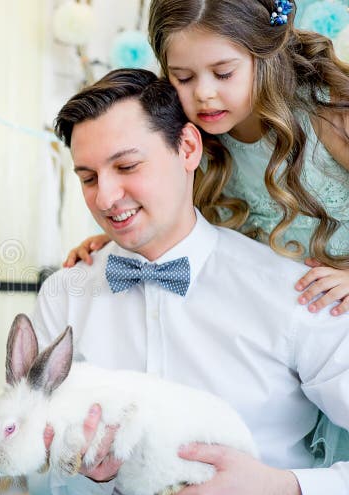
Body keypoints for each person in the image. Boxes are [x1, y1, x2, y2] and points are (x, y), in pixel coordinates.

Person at [28, 68, 349, 495]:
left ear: (188, 148)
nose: (106, 197)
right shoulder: (64, 296)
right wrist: (85, 476)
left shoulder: (293, 293)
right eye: (88, 177)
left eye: (127, 166)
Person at [64, 0, 349, 469]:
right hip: (288, 340)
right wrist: (122, 233)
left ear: (266, 52)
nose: (204, 96)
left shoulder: (328, 114)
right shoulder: (198, 139)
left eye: (223, 72)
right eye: (184, 77)